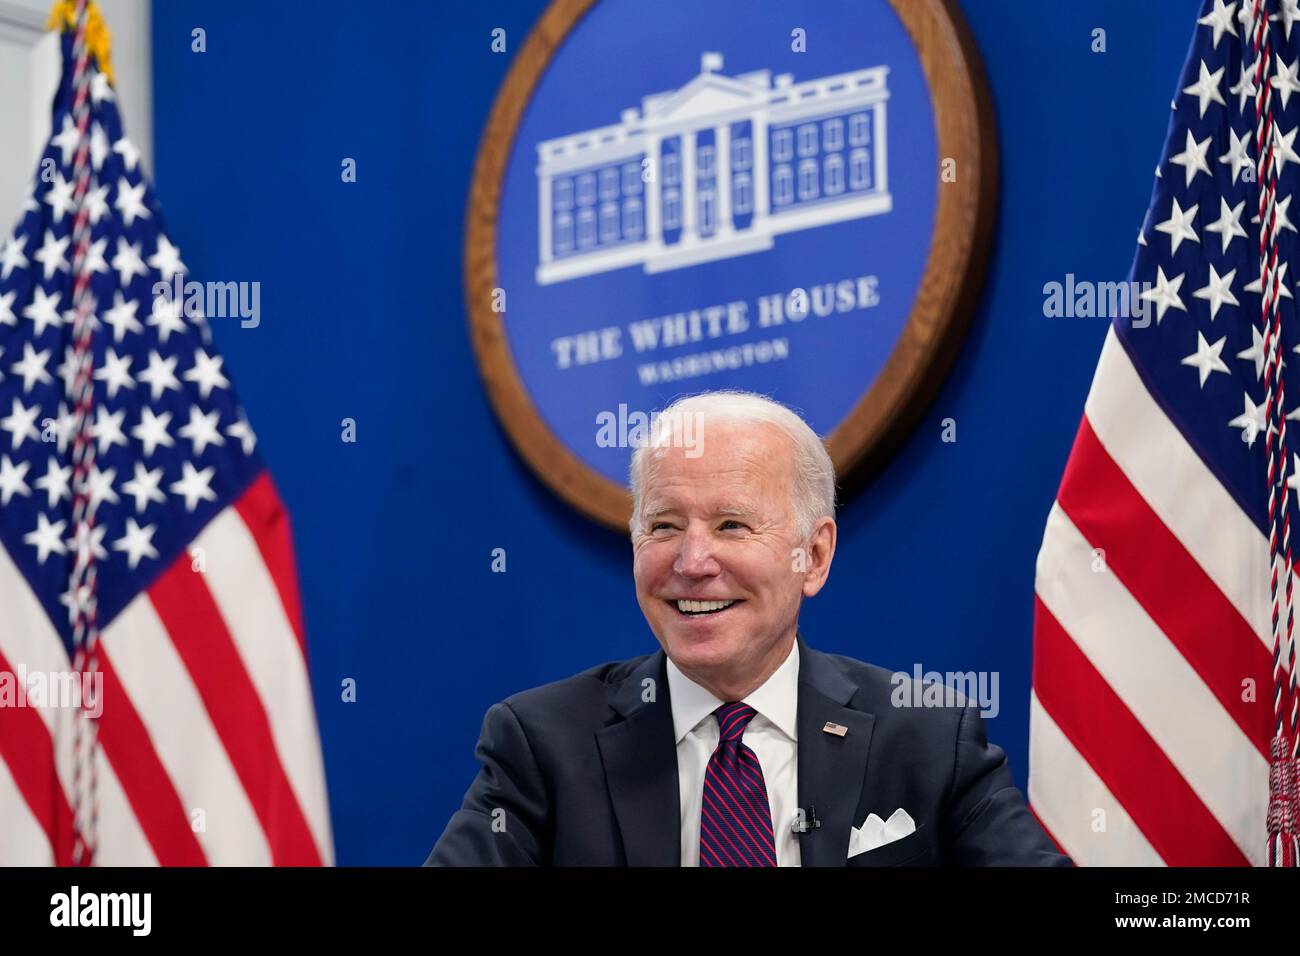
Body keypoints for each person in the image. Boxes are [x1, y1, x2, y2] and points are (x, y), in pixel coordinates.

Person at [426, 390, 1070, 866]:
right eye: (664, 525)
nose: (692, 562)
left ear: (813, 556)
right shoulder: (542, 744)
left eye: (732, 525)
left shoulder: (925, 735)